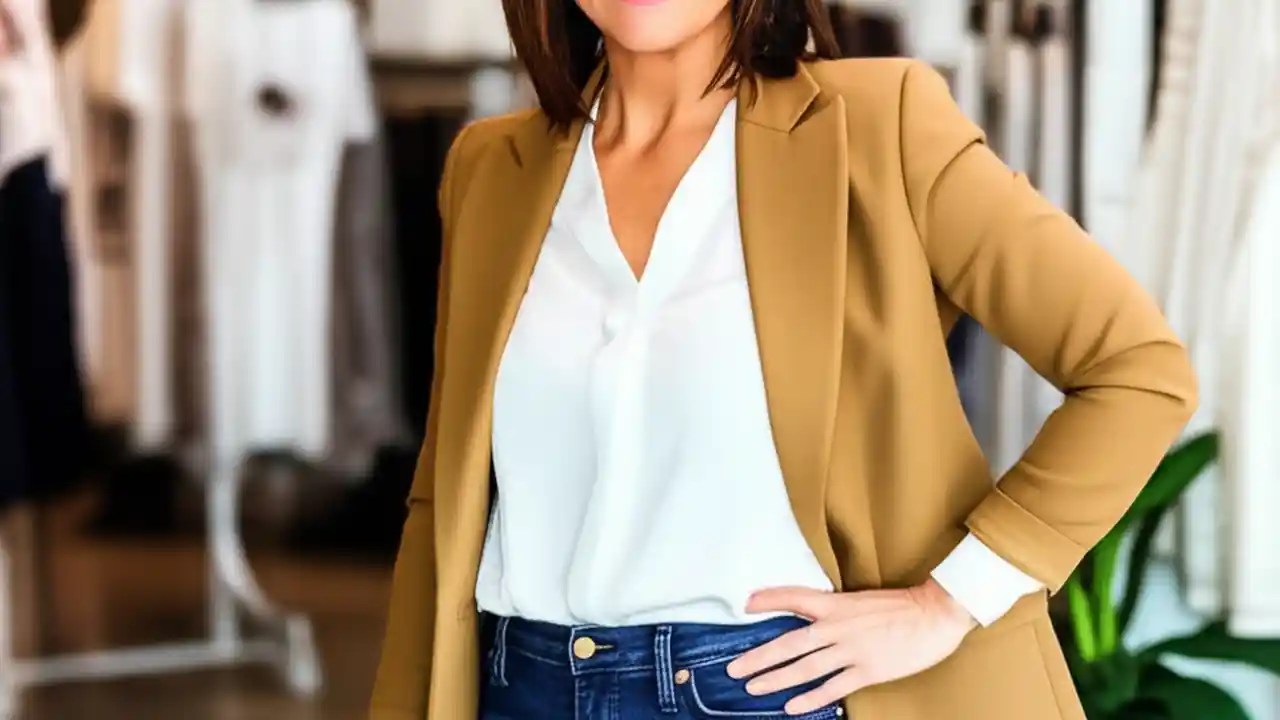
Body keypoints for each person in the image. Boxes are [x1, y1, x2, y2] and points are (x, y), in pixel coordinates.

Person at [368, 1, 1198, 718]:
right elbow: (444, 504)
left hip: (766, 693)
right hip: (518, 684)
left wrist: (947, 603)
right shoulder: (489, 170)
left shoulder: (882, 125)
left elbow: (1136, 369)